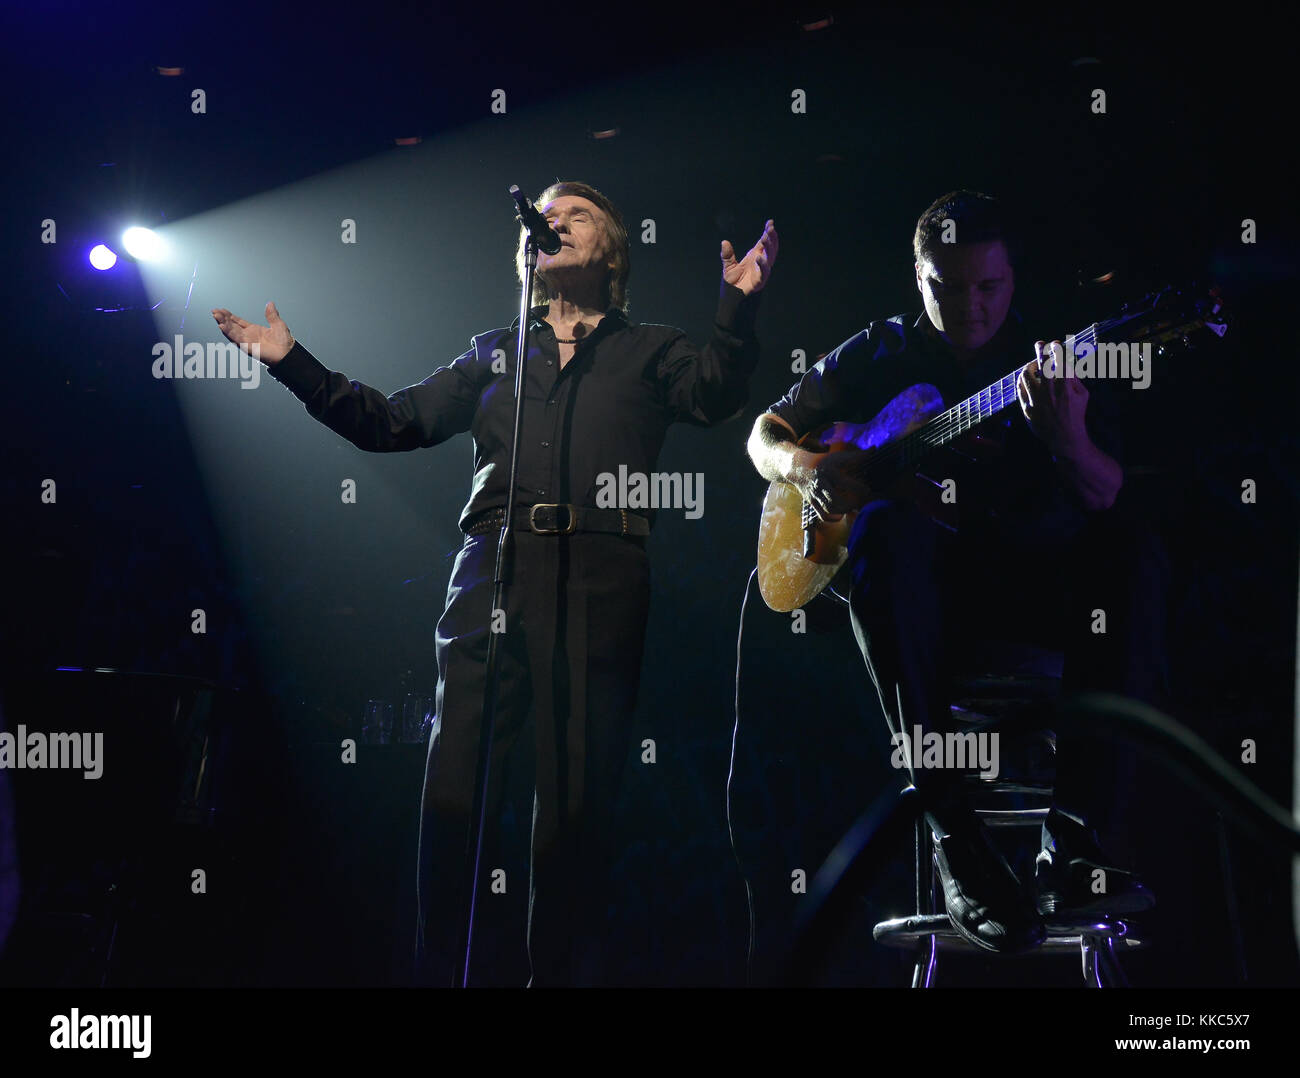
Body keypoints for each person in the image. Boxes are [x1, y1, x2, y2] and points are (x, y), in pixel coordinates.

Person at [214, 181, 778, 984]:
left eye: (574, 214)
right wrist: (291, 363)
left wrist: (737, 309)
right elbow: (391, 422)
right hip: (491, 569)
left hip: (603, 574)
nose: (553, 222)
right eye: (544, 216)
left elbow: (718, 389)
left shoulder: (651, 347)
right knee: (454, 792)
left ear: (612, 247)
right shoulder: (493, 352)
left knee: (575, 808)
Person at [746, 190, 1164, 953]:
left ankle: (1074, 844)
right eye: (945, 287)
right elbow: (762, 434)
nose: (969, 307)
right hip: (918, 610)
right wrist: (808, 471)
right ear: (917, 276)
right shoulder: (882, 351)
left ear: (1013, 278)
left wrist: (1067, 437)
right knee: (882, 530)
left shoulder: (1048, 361)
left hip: (1027, 596)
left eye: (988, 288)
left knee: (1130, 551)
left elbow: (1107, 493)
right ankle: (954, 838)